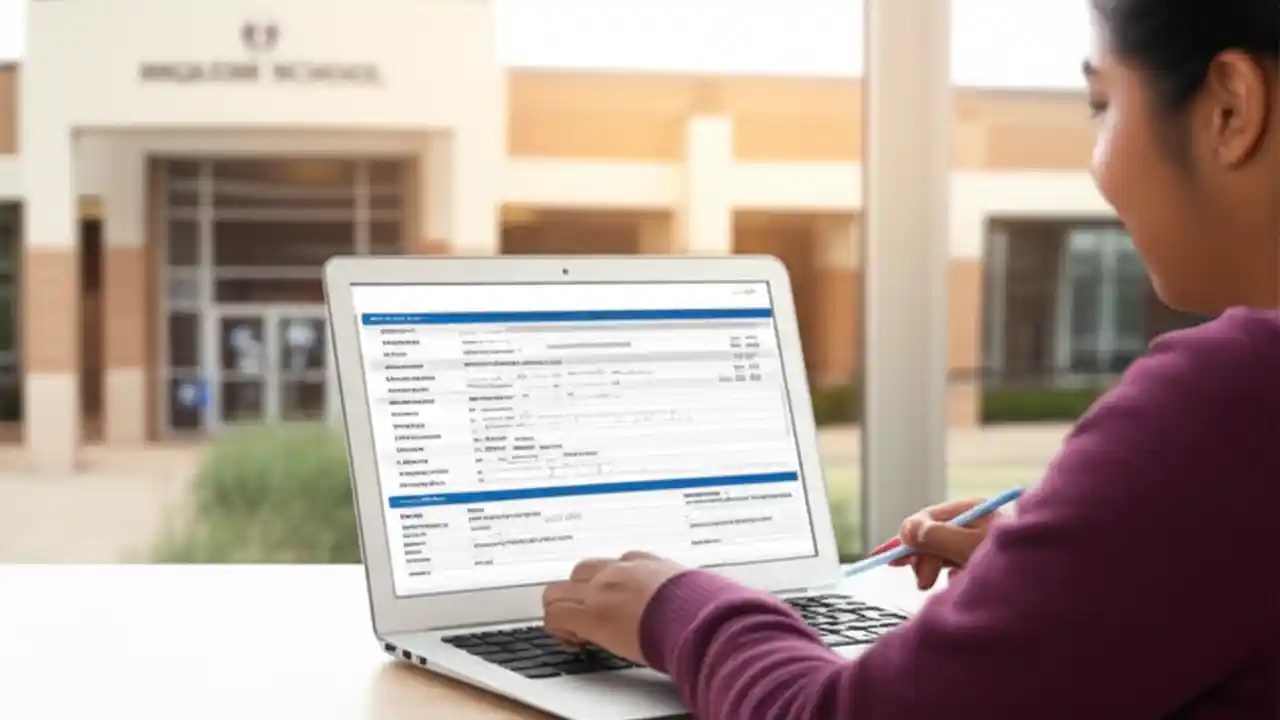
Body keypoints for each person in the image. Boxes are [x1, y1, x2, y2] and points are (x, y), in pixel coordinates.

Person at [540, 0, 1280, 717]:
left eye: (1101, 103)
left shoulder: (1234, 402)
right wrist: (1076, 582)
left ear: (1230, 108)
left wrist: (679, 607)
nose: (1097, 163)